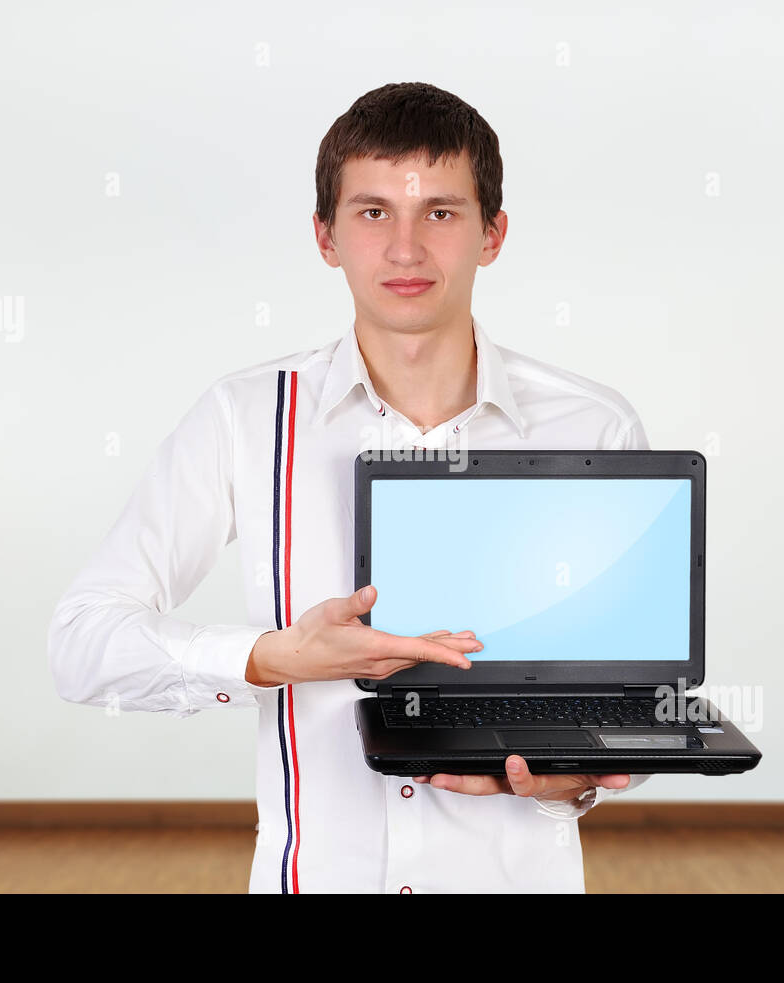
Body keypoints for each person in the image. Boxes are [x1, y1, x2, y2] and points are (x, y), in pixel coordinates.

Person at [48, 81, 653, 893]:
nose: (405, 250)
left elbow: (634, 703)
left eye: (440, 212)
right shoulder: (245, 416)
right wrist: (271, 657)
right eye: (373, 213)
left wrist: (569, 780)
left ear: (493, 234)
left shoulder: (594, 424)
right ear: (326, 236)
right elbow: (83, 645)